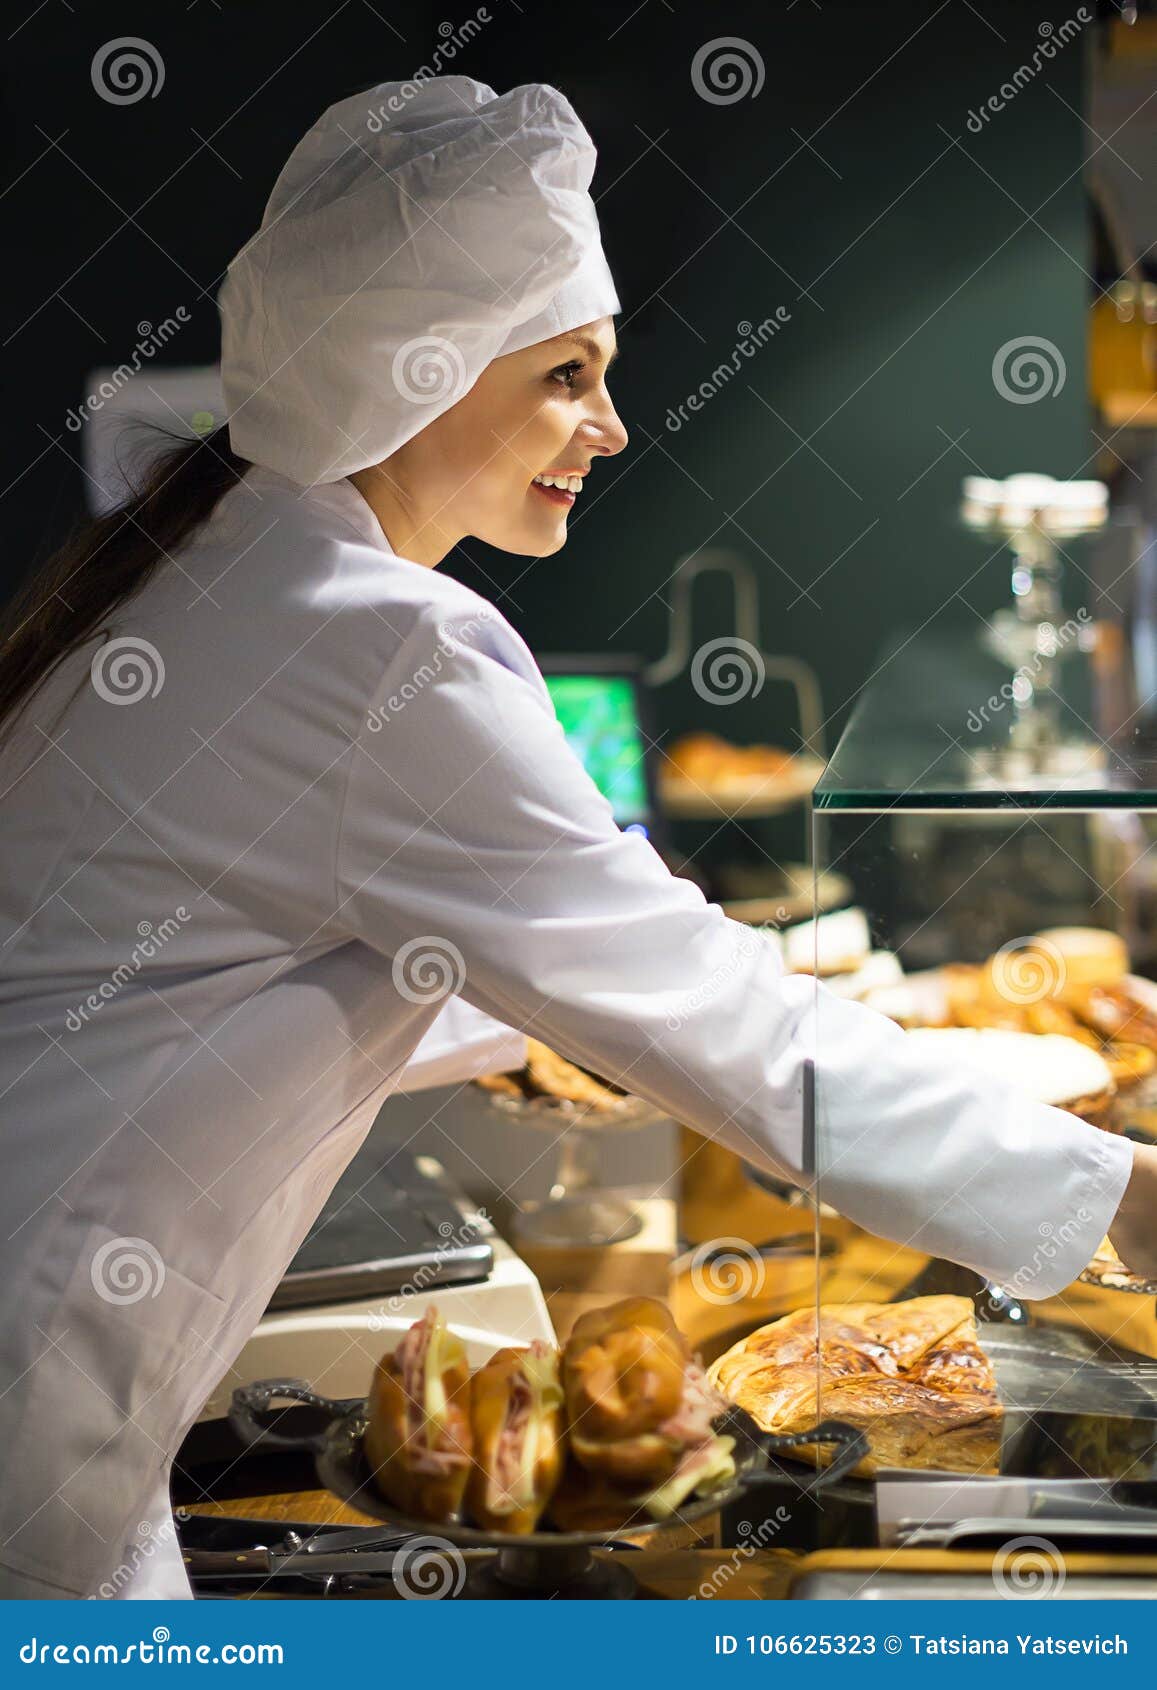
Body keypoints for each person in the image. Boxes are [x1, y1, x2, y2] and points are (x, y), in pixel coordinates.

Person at [0, 75, 1152, 1600]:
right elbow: (720, 1024)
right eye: (563, 375)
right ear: (406, 374)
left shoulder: (222, 570)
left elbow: (216, 968)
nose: (607, 426)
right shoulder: (378, 641)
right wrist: (1123, 1202)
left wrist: (550, 1026)